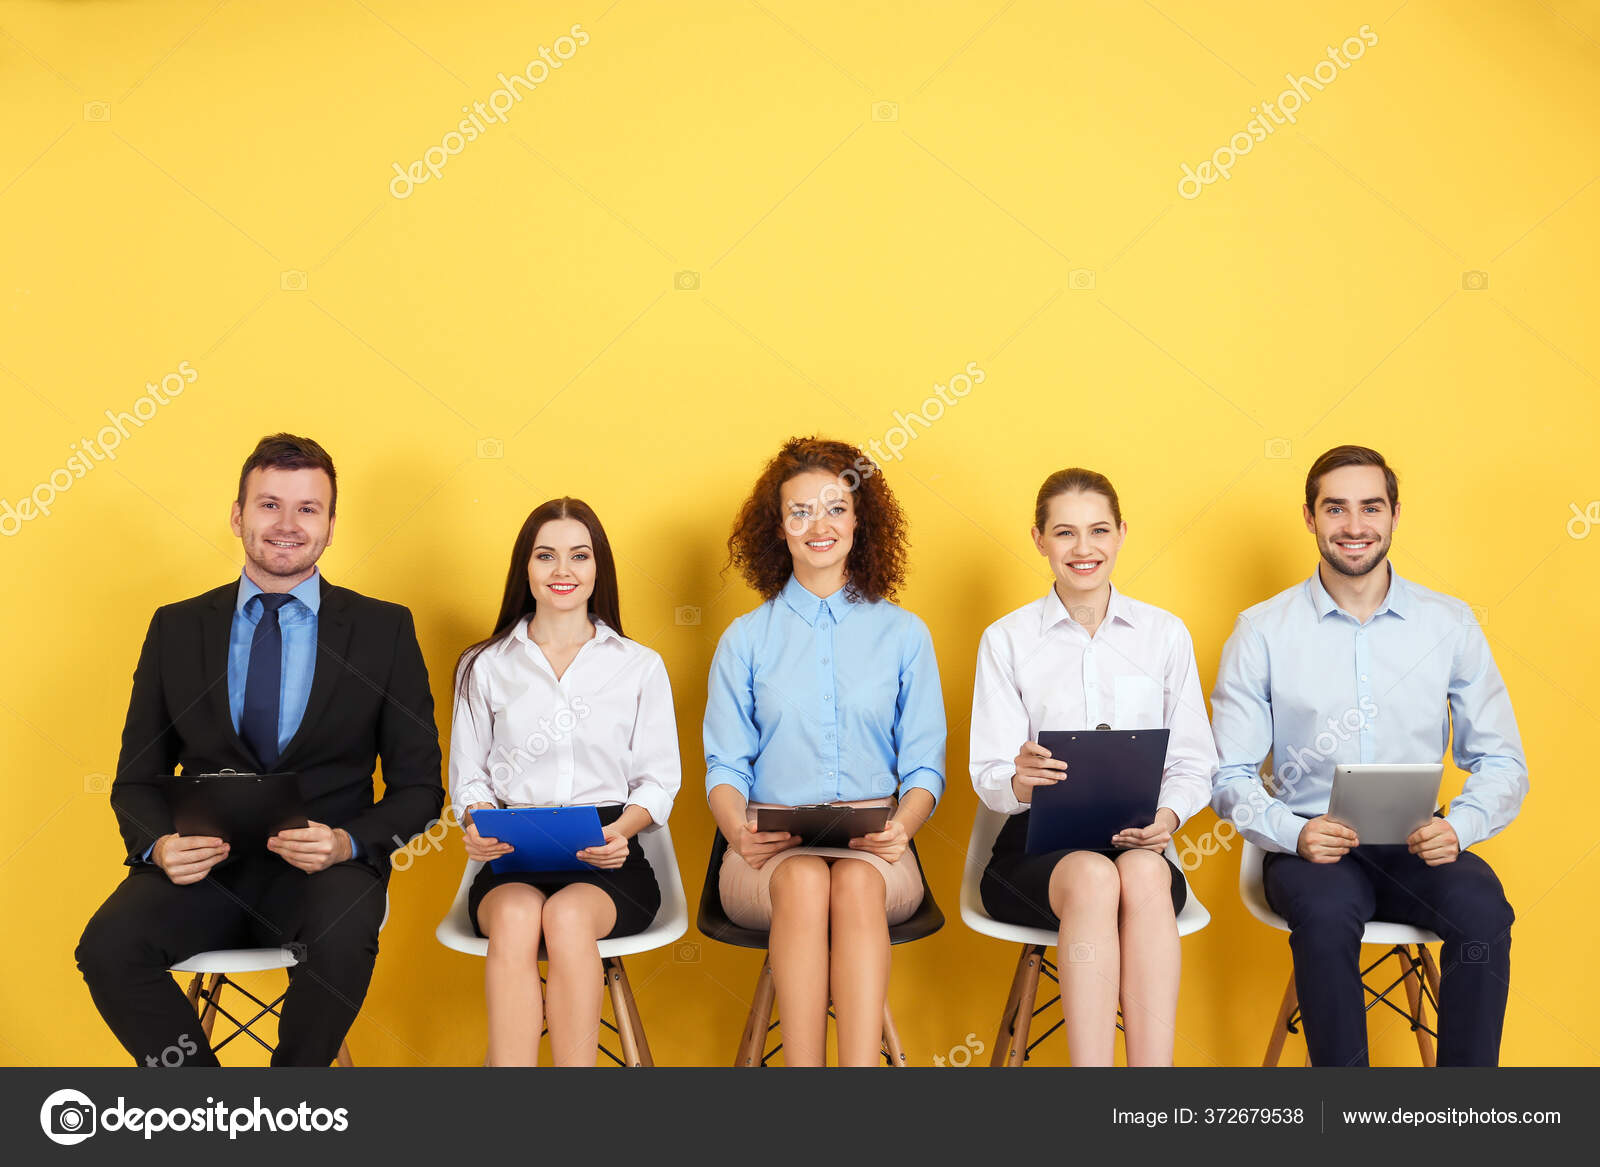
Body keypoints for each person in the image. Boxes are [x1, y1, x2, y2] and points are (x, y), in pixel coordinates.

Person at [76, 433, 444, 1067]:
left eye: (308, 508)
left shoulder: (385, 630)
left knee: (341, 936)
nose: (287, 524)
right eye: (269, 504)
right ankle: (217, 1117)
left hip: (323, 877)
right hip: (202, 874)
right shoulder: (176, 627)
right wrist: (159, 844)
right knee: (107, 946)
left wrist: (346, 843)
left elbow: (420, 789)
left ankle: (282, 1112)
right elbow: (135, 778)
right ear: (238, 515)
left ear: (331, 524)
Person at [1210, 444, 1527, 1066]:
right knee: (1326, 919)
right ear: (1310, 517)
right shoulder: (1262, 630)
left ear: (1394, 515)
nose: (1354, 526)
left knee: (1484, 911)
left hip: (1420, 844)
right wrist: (1293, 833)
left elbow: (1502, 761)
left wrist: (1459, 828)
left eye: (1370, 507)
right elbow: (1230, 773)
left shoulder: (1450, 624)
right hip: (1310, 851)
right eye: (1336, 508)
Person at [704, 437, 945, 1066]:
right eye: (801, 511)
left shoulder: (904, 634)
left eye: (835, 508)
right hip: (766, 852)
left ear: (859, 522)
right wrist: (738, 831)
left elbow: (923, 766)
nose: (820, 525)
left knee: (858, 883)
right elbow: (726, 766)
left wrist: (902, 828)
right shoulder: (744, 641)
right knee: (807, 880)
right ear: (777, 528)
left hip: (879, 847)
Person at [970, 468, 1215, 1066]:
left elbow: (1193, 759)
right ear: (1039, 539)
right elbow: (989, 773)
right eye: (1065, 533)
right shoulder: (1006, 640)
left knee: (1145, 875)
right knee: (1095, 878)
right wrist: (1018, 778)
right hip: (1035, 852)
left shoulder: (1164, 634)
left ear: (1122, 534)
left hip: (1137, 839)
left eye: (1099, 530)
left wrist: (1168, 815)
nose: (1084, 549)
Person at [451, 497, 679, 1067]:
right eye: (545, 556)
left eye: (579, 556)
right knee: (515, 916)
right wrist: (475, 825)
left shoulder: (638, 665)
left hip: (608, 850)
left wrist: (622, 832)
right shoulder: (485, 665)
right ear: (524, 569)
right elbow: (469, 777)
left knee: (569, 916)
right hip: (511, 851)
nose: (562, 571)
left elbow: (658, 780)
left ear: (597, 568)